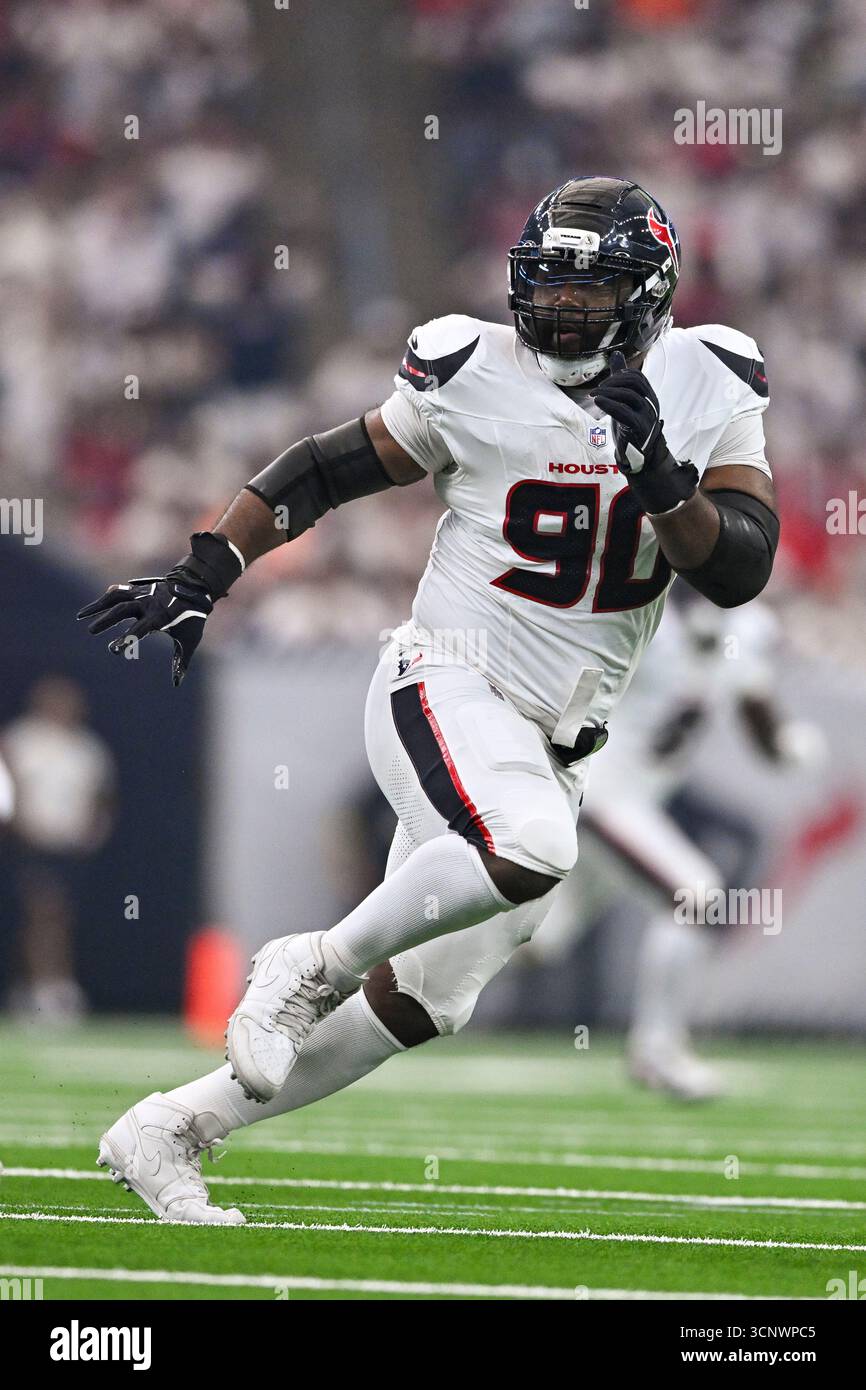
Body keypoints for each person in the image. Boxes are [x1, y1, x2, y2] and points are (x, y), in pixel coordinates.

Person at [78, 176, 779, 1223]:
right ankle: (307, 961)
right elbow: (323, 469)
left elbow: (738, 566)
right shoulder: (472, 368)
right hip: (448, 676)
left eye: (588, 296)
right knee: (531, 846)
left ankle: (173, 1127)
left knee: (422, 1001)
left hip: (558, 737)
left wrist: (663, 481)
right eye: (545, 287)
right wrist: (208, 567)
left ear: (648, 296)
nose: (559, 313)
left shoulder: (706, 377)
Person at [534, 594, 824, 1099]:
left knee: (535, 939)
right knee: (695, 894)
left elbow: (759, 718)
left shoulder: (745, 627)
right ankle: (658, 1048)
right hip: (599, 795)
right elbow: (572, 690)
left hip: (634, 802)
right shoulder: (640, 609)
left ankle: (393, 970)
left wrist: (787, 746)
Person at [2, 675, 116, 1020]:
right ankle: (47, 988)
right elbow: (10, 791)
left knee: (59, 917)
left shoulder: (87, 749)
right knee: (43, 912)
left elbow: (103, 800)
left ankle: (43, 986)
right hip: (30, 844)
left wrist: (95, 832)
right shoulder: (18, 740)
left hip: (71, 848)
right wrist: (19, 827)